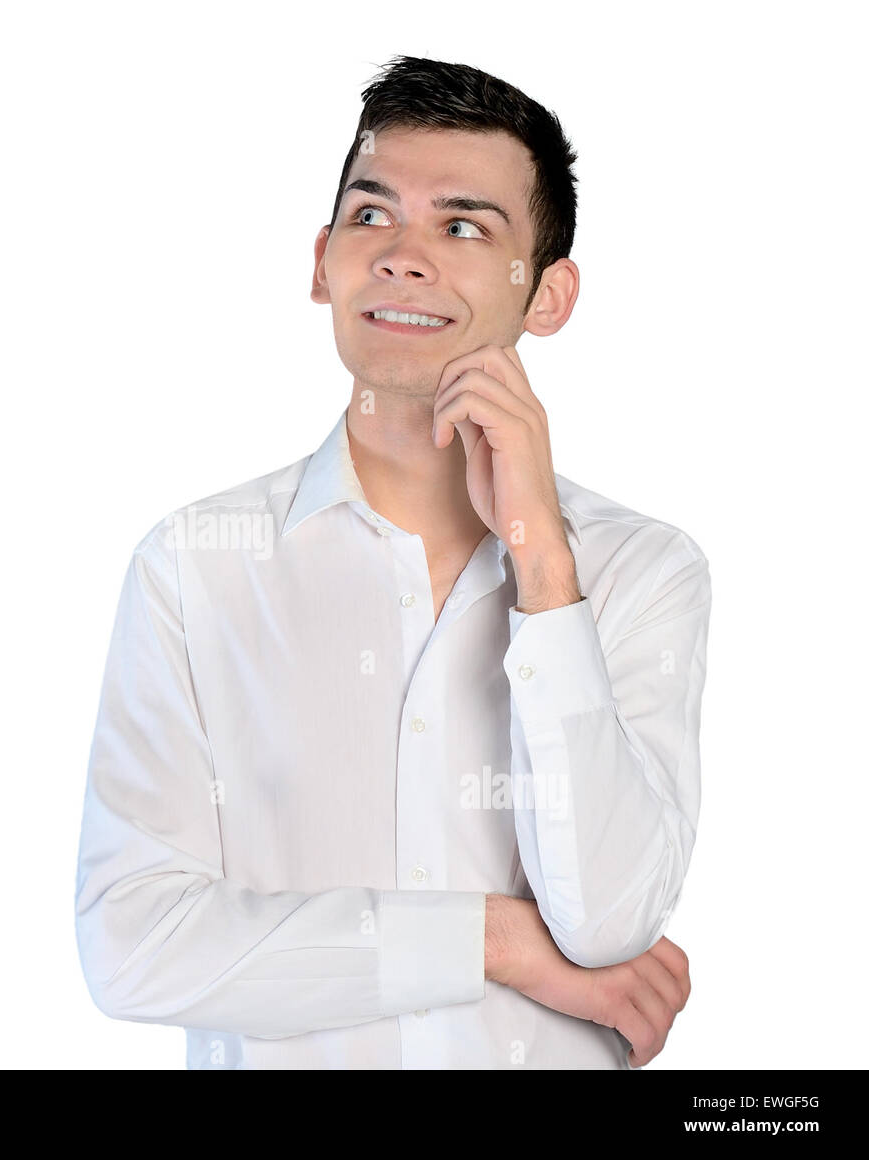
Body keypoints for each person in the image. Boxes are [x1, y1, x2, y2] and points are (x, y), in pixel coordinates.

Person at [74, 55, 710, 1070]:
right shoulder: (195, 569)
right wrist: (490, 941)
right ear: (321, 261)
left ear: (547, 294)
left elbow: (608, 918)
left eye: (463, 227)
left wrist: (544, 565)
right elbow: (130, 944)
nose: (403, 256)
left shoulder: (640, 570)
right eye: (372, 218)